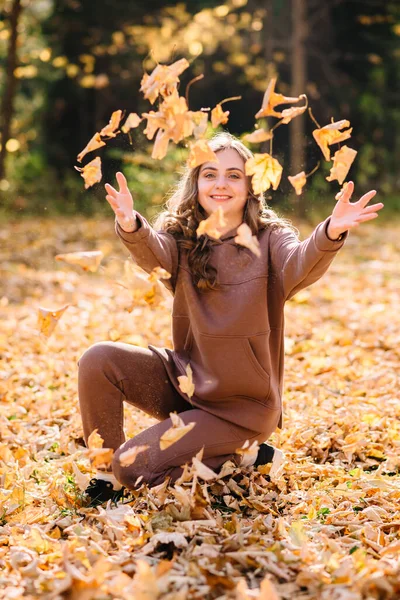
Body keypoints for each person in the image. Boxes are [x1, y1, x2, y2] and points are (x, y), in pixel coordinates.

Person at [78, 132, 383, 506]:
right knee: (98, 360)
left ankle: (244, 455)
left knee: (135, 468)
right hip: (188, 383)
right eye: (210, 174)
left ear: (250, 186)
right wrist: (131, 225)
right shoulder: (183, 238)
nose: (221, 184)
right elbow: (155, 255)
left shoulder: (271, 239)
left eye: (233, 175)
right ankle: (105, 476)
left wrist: (331, 231)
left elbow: (300, 262)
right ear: (196, 184)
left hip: (243, 408)